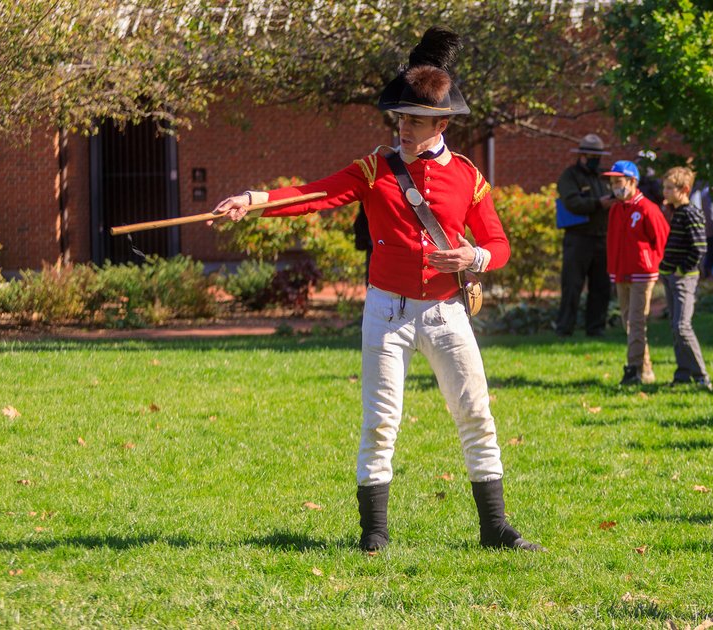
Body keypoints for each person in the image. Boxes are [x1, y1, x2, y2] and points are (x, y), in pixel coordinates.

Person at [211, 28, 543, 552]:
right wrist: (250, 200)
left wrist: (473, 256)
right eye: (401, 118)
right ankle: (375, 532)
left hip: (446, 312)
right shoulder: (373, 169)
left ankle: (495, 528)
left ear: (440, 123)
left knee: (476, 413)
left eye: (414, 120)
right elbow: (313, 195)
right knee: (381, 419)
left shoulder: (468, 177)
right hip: (387, 312)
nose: (403, 128)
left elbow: (499, 245)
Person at [605, 159, 669, 385]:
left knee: (636, 322)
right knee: (628, 323)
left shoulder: (647, 209)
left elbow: (662, 239)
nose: (615, 186)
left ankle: (633, 368)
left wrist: (654, 264)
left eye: (618, 181)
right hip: (621, 273)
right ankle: (646, 370)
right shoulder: (616, 209)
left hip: (642, 274)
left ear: (633, 182)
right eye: (612, 182)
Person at [658, 166, 712, 389]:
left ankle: (701, 376)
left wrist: (681, 269)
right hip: (670, 275)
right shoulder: (677, 212)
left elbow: (700, 247)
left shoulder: (691, 213)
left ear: (685, 189)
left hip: (684, 278)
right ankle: (683, 374)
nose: (665, 192)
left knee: (682, 326)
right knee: (674, 326)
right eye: (665, 187)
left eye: (670, 188)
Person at [555, 134, 613, 338]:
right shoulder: (570, 176)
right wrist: (598, 203)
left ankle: (595, 328)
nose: (594, 159)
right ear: (581, 155)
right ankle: (565, 329)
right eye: (591, 155)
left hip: (602, 238)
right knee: (572, 286)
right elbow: (572, 203)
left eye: (597, 155)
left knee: (601, 287)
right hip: (578, 239)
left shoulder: (605, 176)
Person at [692, 182, 713, 278]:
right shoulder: (711, 190)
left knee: (711, 256)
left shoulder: (704, 190)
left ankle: (709, 278)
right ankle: (711, 278)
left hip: (710, 230)